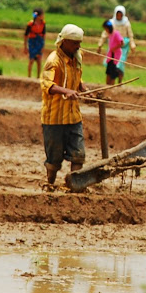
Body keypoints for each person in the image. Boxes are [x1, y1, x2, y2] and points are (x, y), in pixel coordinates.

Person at [40, 24, 89, 185]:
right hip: (54, 118)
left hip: (73, 117)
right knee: (54, 159)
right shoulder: (53, 61)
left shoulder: (78, 56)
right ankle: (50, 184)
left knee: (78, 155)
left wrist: (83, 88)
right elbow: (47, 85)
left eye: (79, 42)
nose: (78, 46)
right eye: (75, 43)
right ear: (64, 41)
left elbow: (77, 77)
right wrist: (66, 91)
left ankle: (74, 187)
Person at [24, 8, 46, 77]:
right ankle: (29, 76)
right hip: (32, 42)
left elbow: (44, 35)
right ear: (39, 16)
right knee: (31, 60)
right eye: (42, 15)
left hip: (39, 42)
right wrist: (25, 46)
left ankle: (38, 77)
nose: (43, 16)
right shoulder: (31, 24)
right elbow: (26, 35)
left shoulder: (43, 23)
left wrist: (43, 46)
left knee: (39, 60)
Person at [102, 20, 123, 85]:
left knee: (113, 71)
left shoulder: (116, 33)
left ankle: (119, 75)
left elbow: (122, 42)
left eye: (106, 29)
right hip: (111, 54)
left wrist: (115, 48)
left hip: (115, 54)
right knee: (108, 70)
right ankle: (107, 84)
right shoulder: (110, 34)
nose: (106, 30)